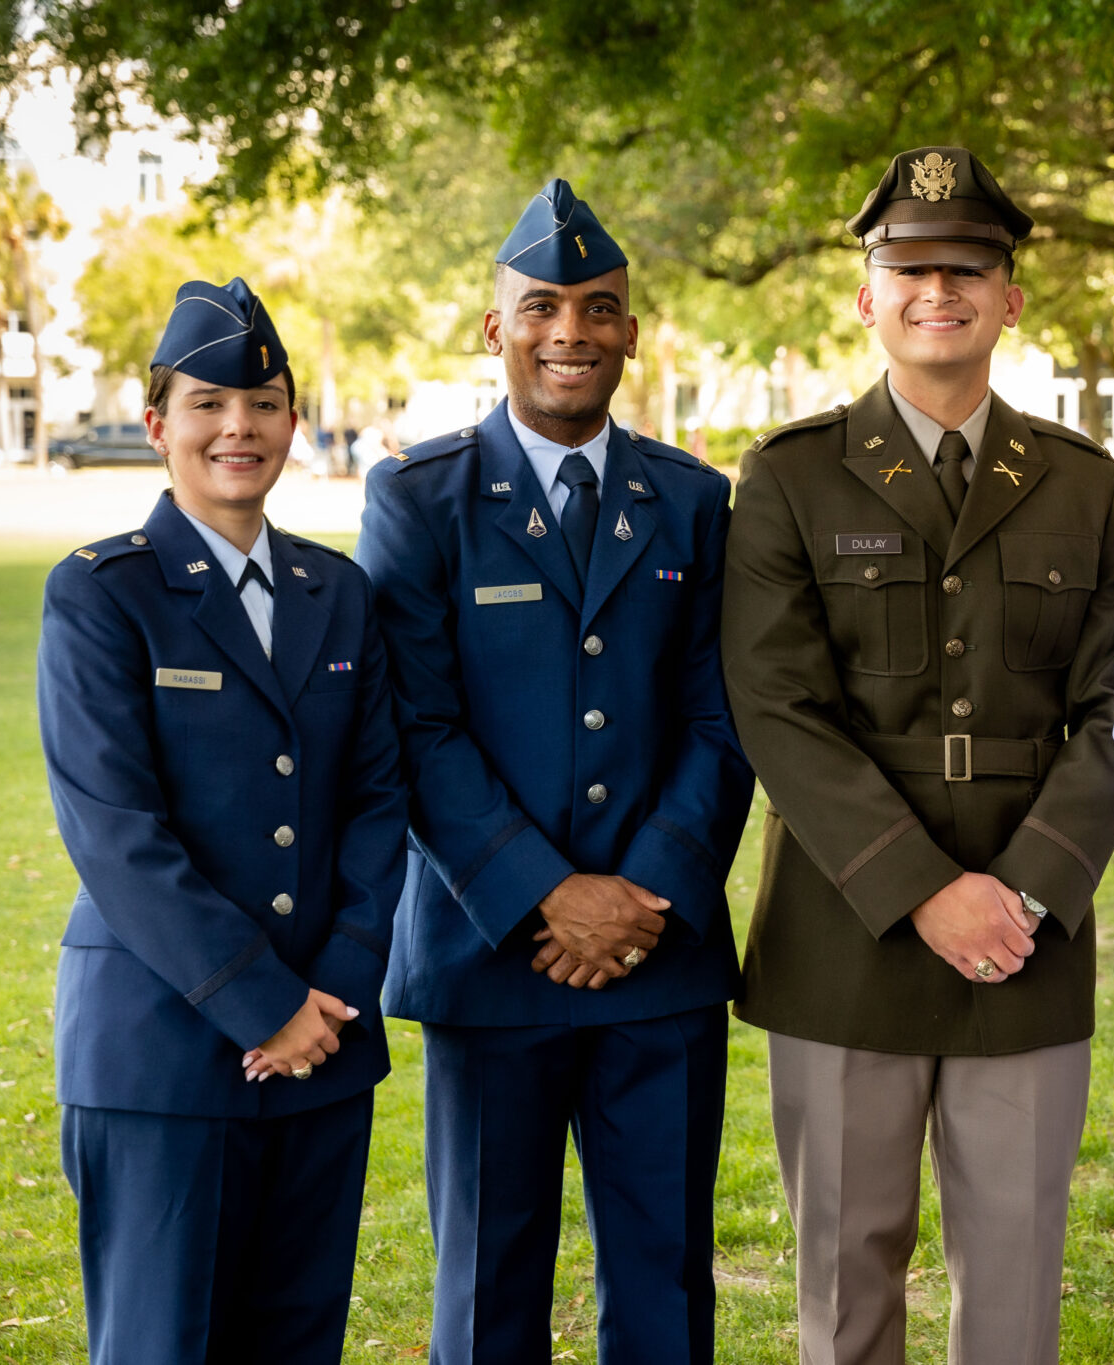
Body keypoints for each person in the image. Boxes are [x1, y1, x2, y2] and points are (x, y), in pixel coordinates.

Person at [721, 146, 1114, 1364]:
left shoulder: (1080, 484)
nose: (937, 290)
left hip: (1024, 932)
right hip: (845, 936)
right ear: (867, 297)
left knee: (1013, 1287)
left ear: (1011, 297)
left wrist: (1019, 894)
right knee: (845, 1285)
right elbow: (777, 706)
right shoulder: (789, 477)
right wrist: (923, 893)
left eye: (969, 267)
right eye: (908, 268)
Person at [356, 180, 753, 1364]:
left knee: (668, 1282)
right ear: (494, 329)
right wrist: (546, 895)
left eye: (598, 309)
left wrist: (642, 899)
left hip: (656, 952)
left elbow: (720, 720)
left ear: (633, 330)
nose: (568, 333)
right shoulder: (418, 499)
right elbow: (414, 728)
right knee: (486, 1290)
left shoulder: (690, 501)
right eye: (540, 308)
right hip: (492, 953)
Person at [38, 277, 409, 1363]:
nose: (237, 428)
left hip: (324, 1047)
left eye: (262, 403)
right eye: (206, 404)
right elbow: (115, 831)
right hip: (162, 1050)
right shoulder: (105, 593)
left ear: (294, 420)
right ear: (157, 424)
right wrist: (261, 1005)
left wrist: (329, 992)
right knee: (164, 1344)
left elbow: (378, 800)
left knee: (297, 1341)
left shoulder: (336, 591)